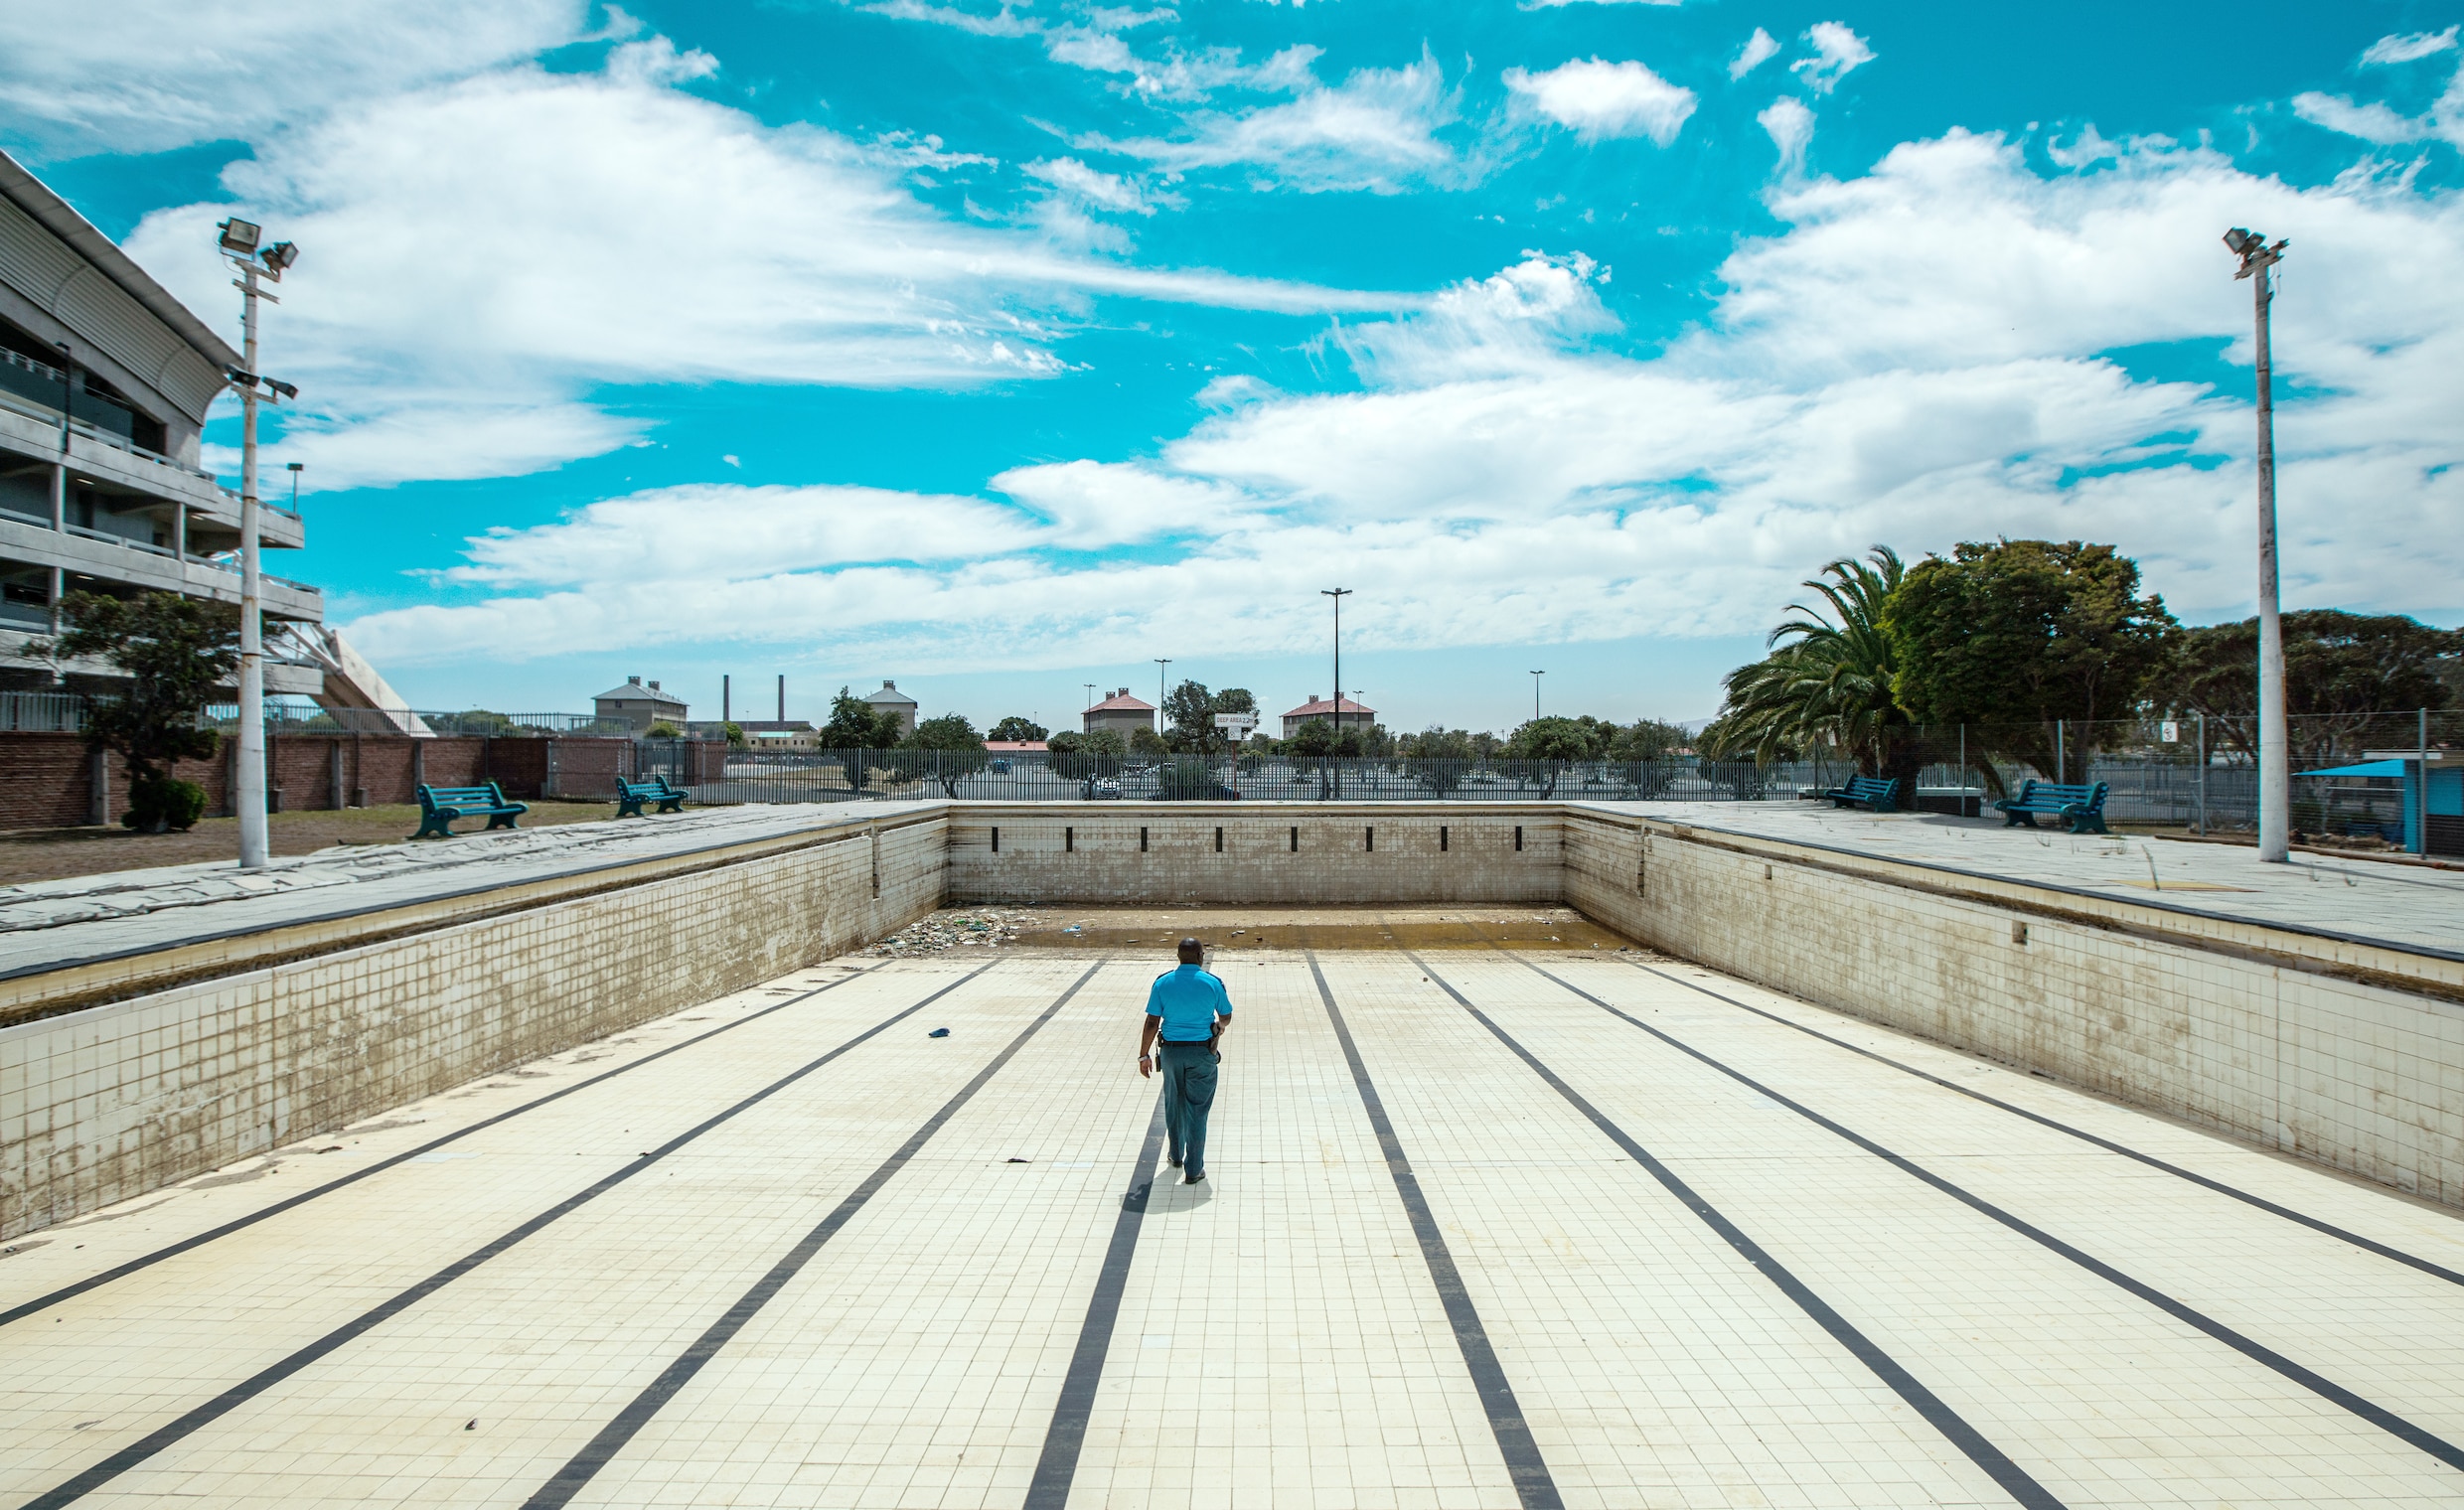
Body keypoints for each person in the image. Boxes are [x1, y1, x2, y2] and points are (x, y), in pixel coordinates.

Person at [1139, 937, 1231, 1185]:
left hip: (1171, 1053)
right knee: (1198, 1110)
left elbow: (1151, 1022)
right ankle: (1194, 1169)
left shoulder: (1163, 982)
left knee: (1174, 1103)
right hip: (1202, 1054)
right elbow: (1226, 1015)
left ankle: (1176, 1155)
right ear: (1201, 956)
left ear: (1179, 956)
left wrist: (1144, 1055)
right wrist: (1219, 1028)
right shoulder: (1212, 983)